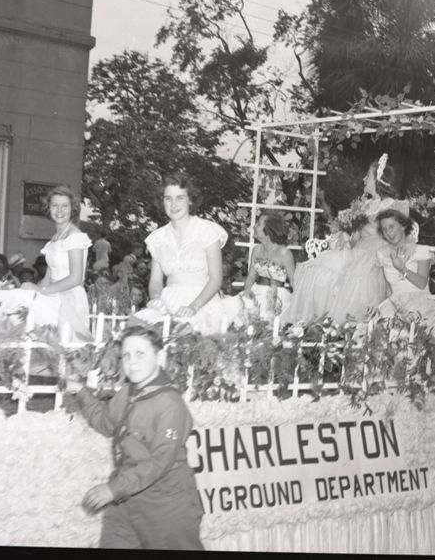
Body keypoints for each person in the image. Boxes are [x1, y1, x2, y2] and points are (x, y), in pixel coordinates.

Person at [68, 325, 204, 550]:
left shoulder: (170, 404)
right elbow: (106, 422)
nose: (132, 362)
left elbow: (159, 462)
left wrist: (114, 489)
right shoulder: (128, 392)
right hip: (126, 502)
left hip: (166, 505)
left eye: (141, 354)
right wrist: (80, 391)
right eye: (126, 356)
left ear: (159, 356)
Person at [285, 155, 409, 325]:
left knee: (353, 270)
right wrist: (346, 236)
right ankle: (316, 322)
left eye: (368, 175)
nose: (364, 179)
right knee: (323, 265)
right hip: (359, 250)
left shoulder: (394, 205)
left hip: (379, 253)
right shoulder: (364, 205)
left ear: (379, 179)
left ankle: (341, 323)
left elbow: (400, 236)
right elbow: (356, 236)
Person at [134, 173, 228, 335]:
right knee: (138, 329)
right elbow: (156, 280)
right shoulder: (157, 238)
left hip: (202, 303)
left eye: (180, 198)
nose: (173, 204)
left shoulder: (207, 231)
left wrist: (194, 307)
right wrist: (156, 299)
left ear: (190, 200)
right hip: (169, 302)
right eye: (168, 199)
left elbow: (216, 279)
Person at [32, 186, 92, 341]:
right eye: (55, 205)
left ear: (72, 209)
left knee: (66, 348)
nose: (59, 210)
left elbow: (75, 278)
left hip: (70, 299)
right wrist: (33, 292)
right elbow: (48, 277)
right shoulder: (55, 239)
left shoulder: (75, 236)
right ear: (49, 208)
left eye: (65, 206)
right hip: (53, 297)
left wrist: (44, 291)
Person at [375, 209, 435, 334]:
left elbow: (422, 283)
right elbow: (387, 288)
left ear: (403, 225)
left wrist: (402, 269)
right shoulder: (382, 254)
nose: (389, 232)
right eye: (384, 229)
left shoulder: (421, 251)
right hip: (394, 306)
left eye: (391, 226)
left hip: (420, 306)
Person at [242, 212, 295, 321]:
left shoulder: (284, 253)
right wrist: (246, 294)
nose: (254, 226)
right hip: (257, 293)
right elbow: (251, 277)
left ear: (268, 230)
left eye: (258, 224)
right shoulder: (256, 250)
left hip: (276, 297)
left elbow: (294, 283)